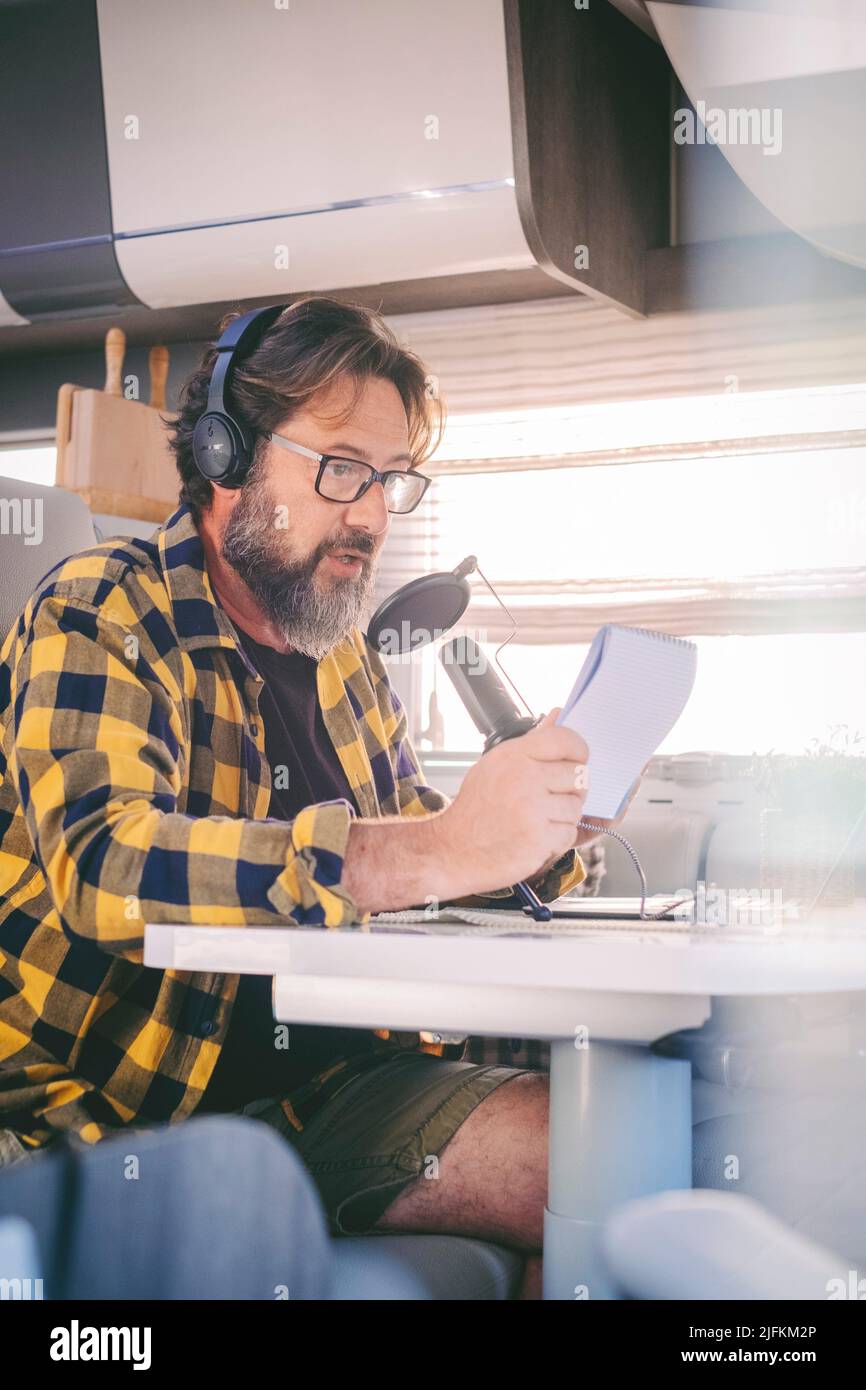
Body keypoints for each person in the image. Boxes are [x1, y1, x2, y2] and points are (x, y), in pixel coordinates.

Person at [0, 295, 634, 1299]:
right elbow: (106, 867)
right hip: (112, 1110)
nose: (373, 512)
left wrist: (532, 838)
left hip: (328, 1094)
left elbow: (419, 845)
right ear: (228, 455)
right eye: (341, 468)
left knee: (615, 1146)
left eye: (391, 481)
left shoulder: (340, 657)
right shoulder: (99, 612)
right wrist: (431, 851)